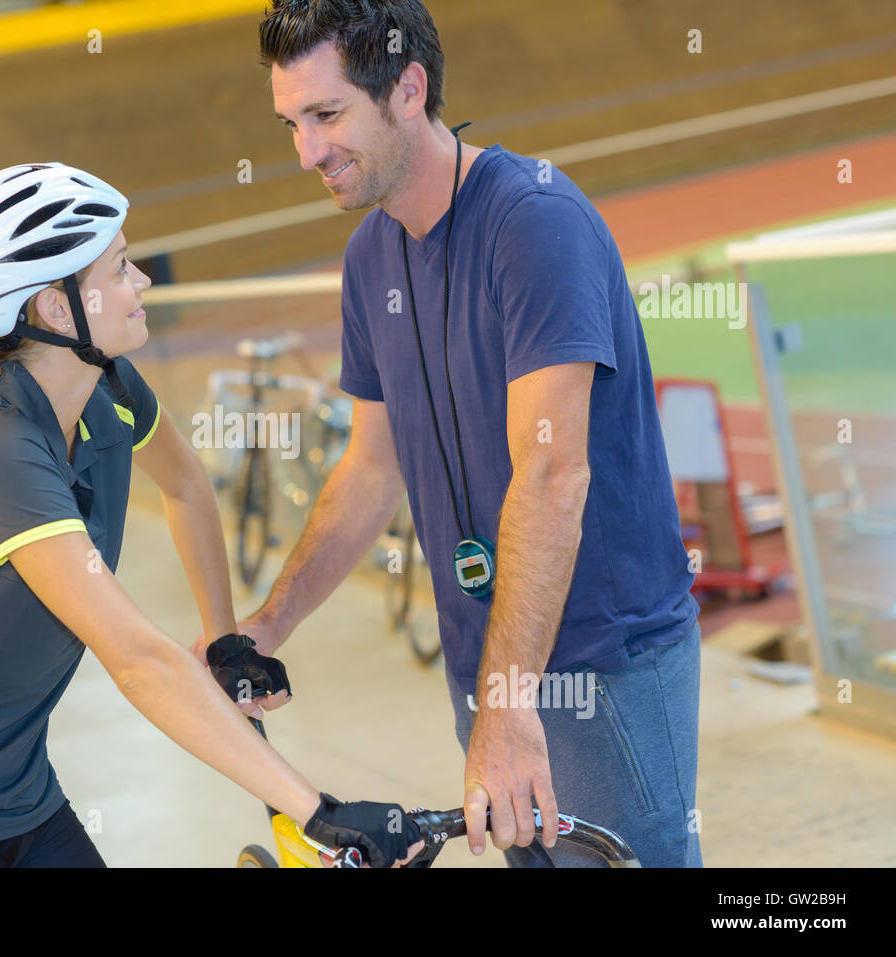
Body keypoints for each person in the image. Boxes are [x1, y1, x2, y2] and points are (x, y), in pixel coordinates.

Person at [0, 162, 424, 868]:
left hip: (16, 788)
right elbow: (137, 659)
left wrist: (225, 644)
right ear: (58, 308)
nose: (144, 285)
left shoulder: (106, 386)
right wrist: (314, 809)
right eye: (122, 269)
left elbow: (188, 484)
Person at [224, 0, 703, 867]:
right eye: (291, 123)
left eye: (327, 115)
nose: (306, 151)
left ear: (408, 88)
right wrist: (268, 623)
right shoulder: (372, 256)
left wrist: (514, 700)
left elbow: (555, 473)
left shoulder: (533, 223)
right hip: (487, 663)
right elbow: (373, 468)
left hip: (596, 662)